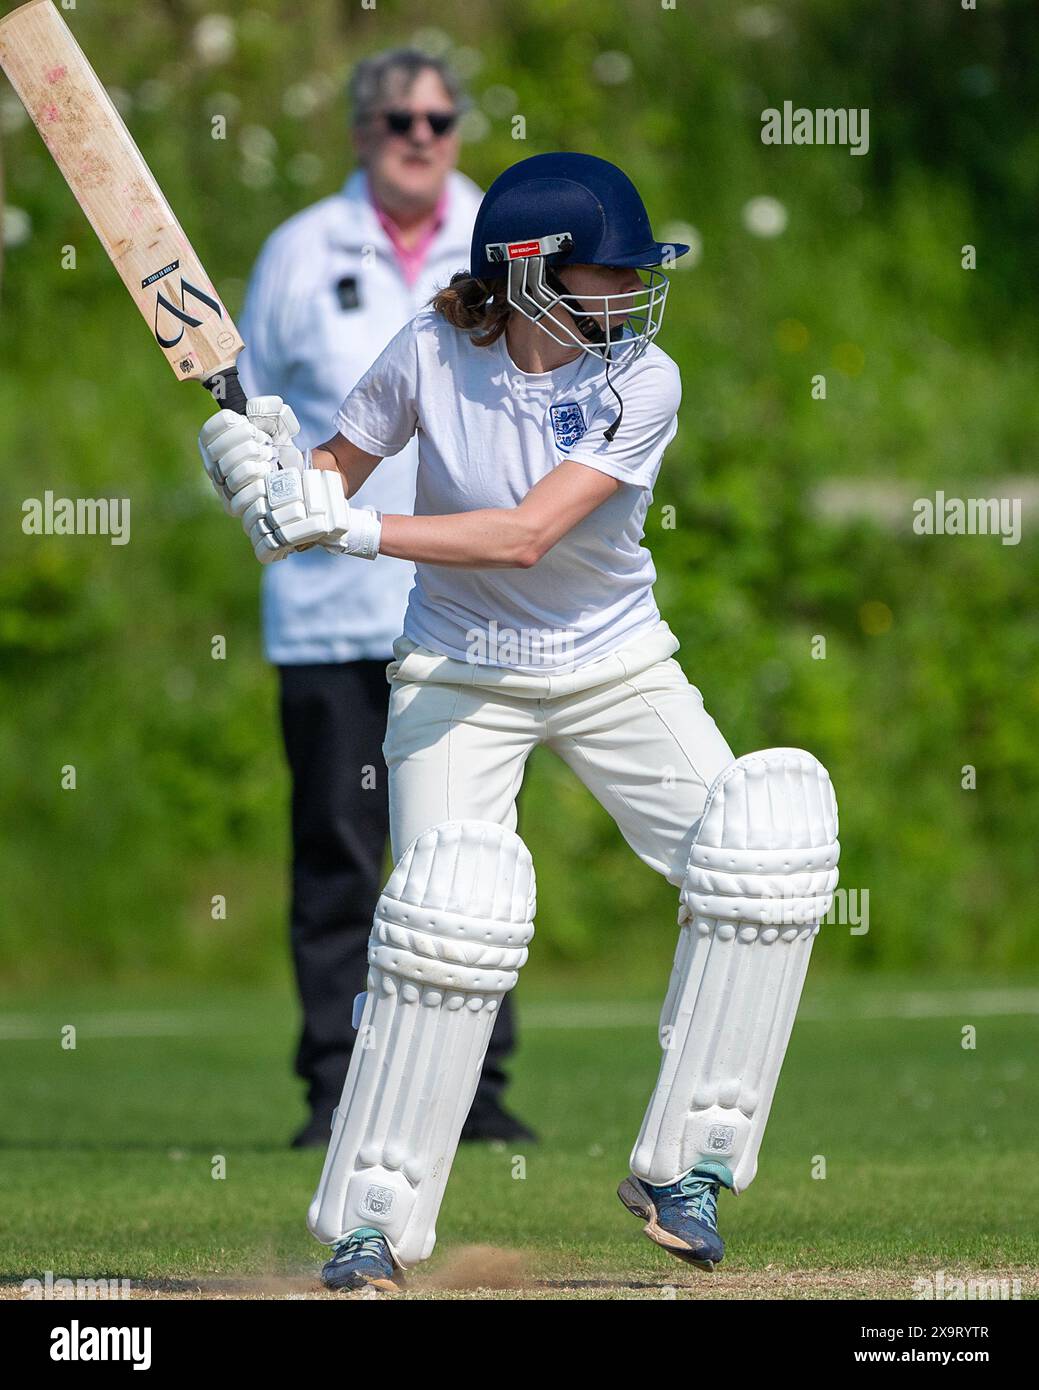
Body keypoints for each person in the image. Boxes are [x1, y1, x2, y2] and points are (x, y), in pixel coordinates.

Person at [199, 151, 840, 1293]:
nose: (635, 291)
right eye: (612, 270)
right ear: (534, 273)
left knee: (768, 848)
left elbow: (524, 535)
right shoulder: (432, 353)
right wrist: (265, 473)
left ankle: (685, 1165)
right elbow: (328, 476)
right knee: (444, 919)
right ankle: (371, 1230)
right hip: (458, 673)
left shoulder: (646, 380)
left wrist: (347, 531)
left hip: (614, 663)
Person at [236, 48, 532, 1147]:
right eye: (400, 117)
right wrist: (243, 462)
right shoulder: (299, 250)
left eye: (439, 118)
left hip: (469, 602)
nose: (421, 134)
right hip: (327, 612)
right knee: (338, 852)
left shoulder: (497, 242)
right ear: (363, 130)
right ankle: (337, 1089)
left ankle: (477, 1094)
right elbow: (253, 407)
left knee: (468, 853)